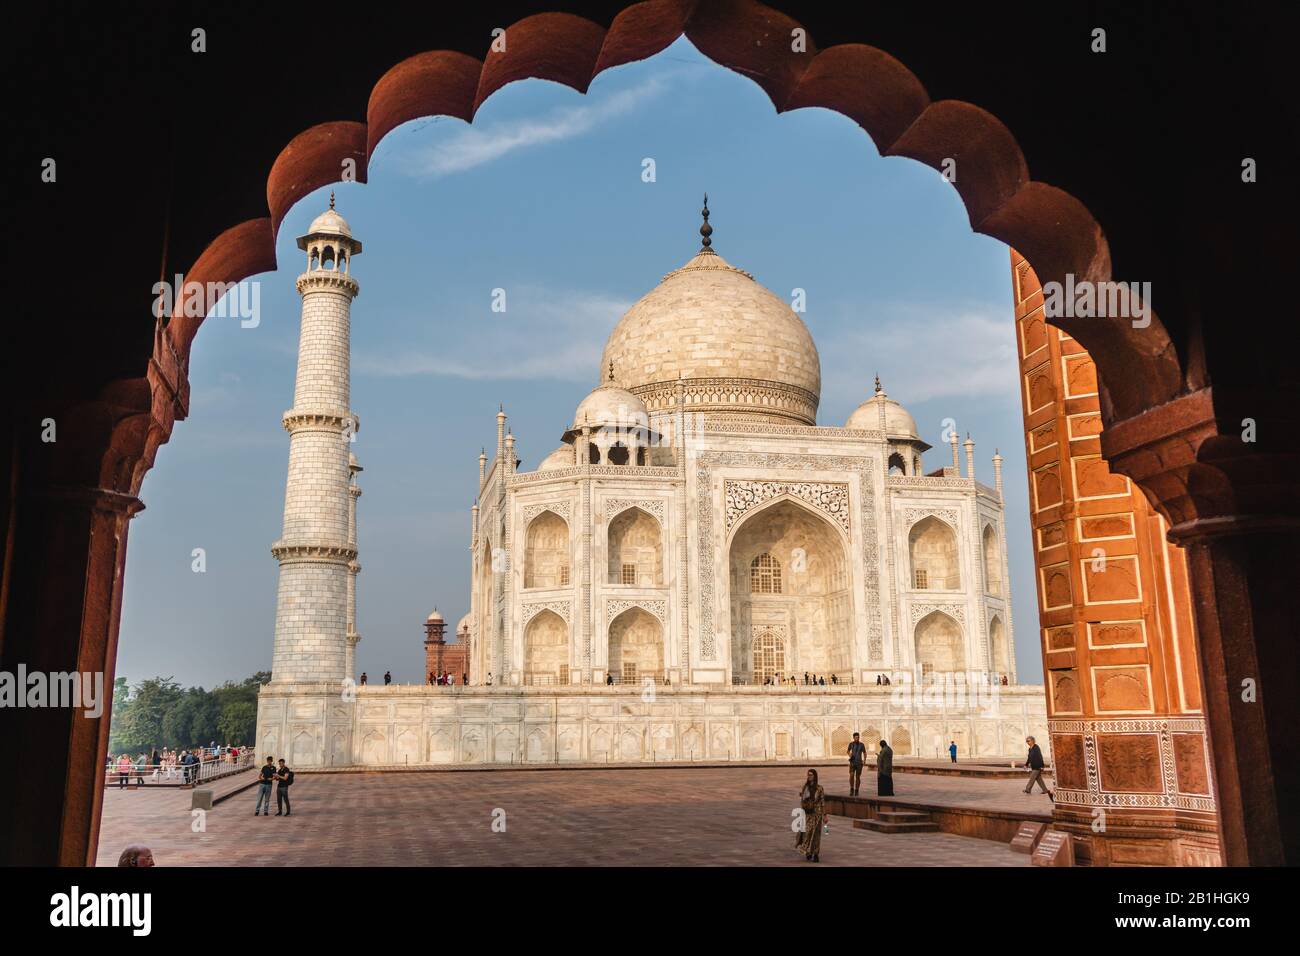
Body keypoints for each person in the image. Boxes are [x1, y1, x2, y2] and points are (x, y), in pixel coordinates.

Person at [795, 769, 825, 863]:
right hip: (807, 814)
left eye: (811, 775)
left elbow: (822, 802)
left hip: (817, 814)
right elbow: (802, 801)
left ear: (815, 776)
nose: (809, 777)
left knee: (816, 835)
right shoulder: (806, 787)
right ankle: (808, 852)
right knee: (807, 833)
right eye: (808, 775)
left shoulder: (820, 788)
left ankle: (815, 854)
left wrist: (825, 815)